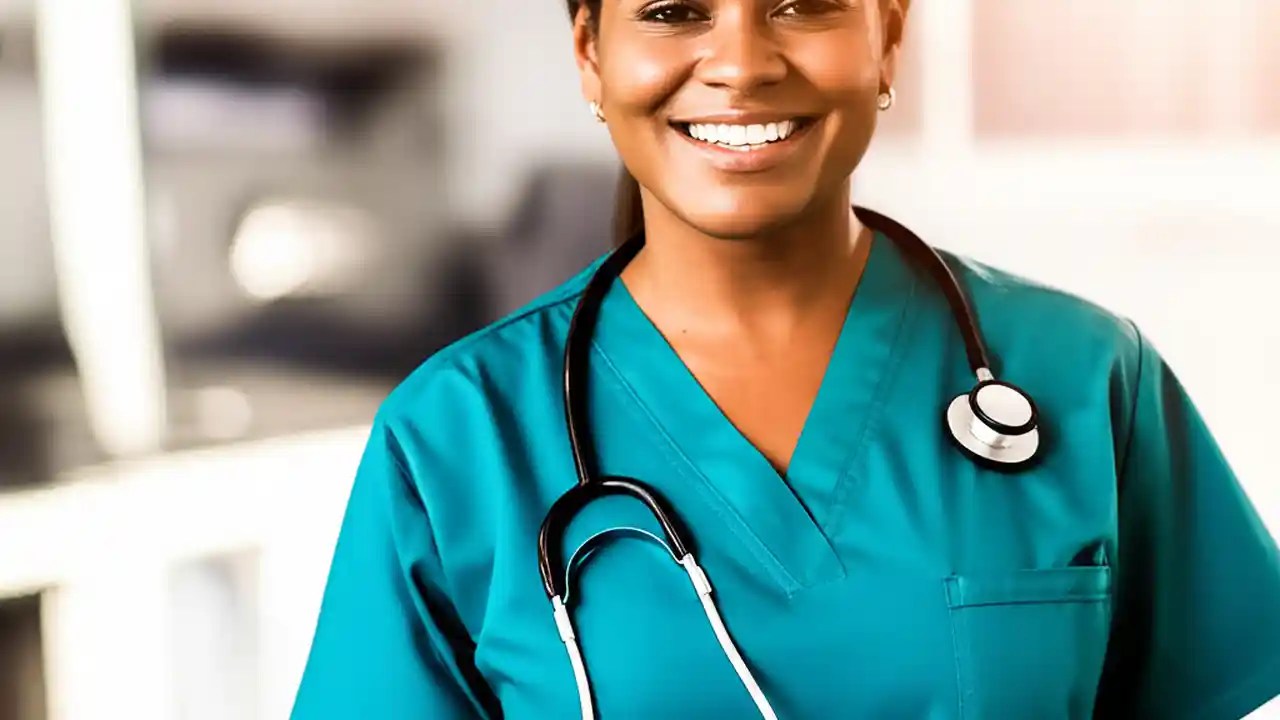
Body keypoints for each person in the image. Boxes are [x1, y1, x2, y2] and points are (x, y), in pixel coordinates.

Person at [290, 1, 1280, 717]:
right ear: (589, 52)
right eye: (675, 12)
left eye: (801, 6)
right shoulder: (457, 436)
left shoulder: (1081, 375)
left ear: (888, 36)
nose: (740, 63)